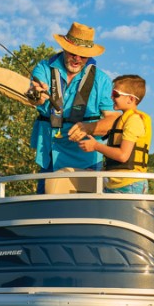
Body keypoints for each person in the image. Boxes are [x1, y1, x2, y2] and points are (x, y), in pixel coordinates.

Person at [29, 22, 119, 191]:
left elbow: (113, 119)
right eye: (73, 53)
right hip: (49, 156)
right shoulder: (43, 68)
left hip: (87, 161)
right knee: (45, 212)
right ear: (64, 48)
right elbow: (36, 93)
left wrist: (89, 127)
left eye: (83, 56)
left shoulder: (102, 80)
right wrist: (37, 94)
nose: (77, 59)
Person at [75, 75, 151, 194]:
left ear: (130, 99)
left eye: (115, 94)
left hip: (129, 184)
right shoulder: (120, 121)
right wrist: (100, 173)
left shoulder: (134, 121)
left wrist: (95, 146)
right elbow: (117, 161)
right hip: (114, 183)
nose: (111, 97)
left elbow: (123, 156)